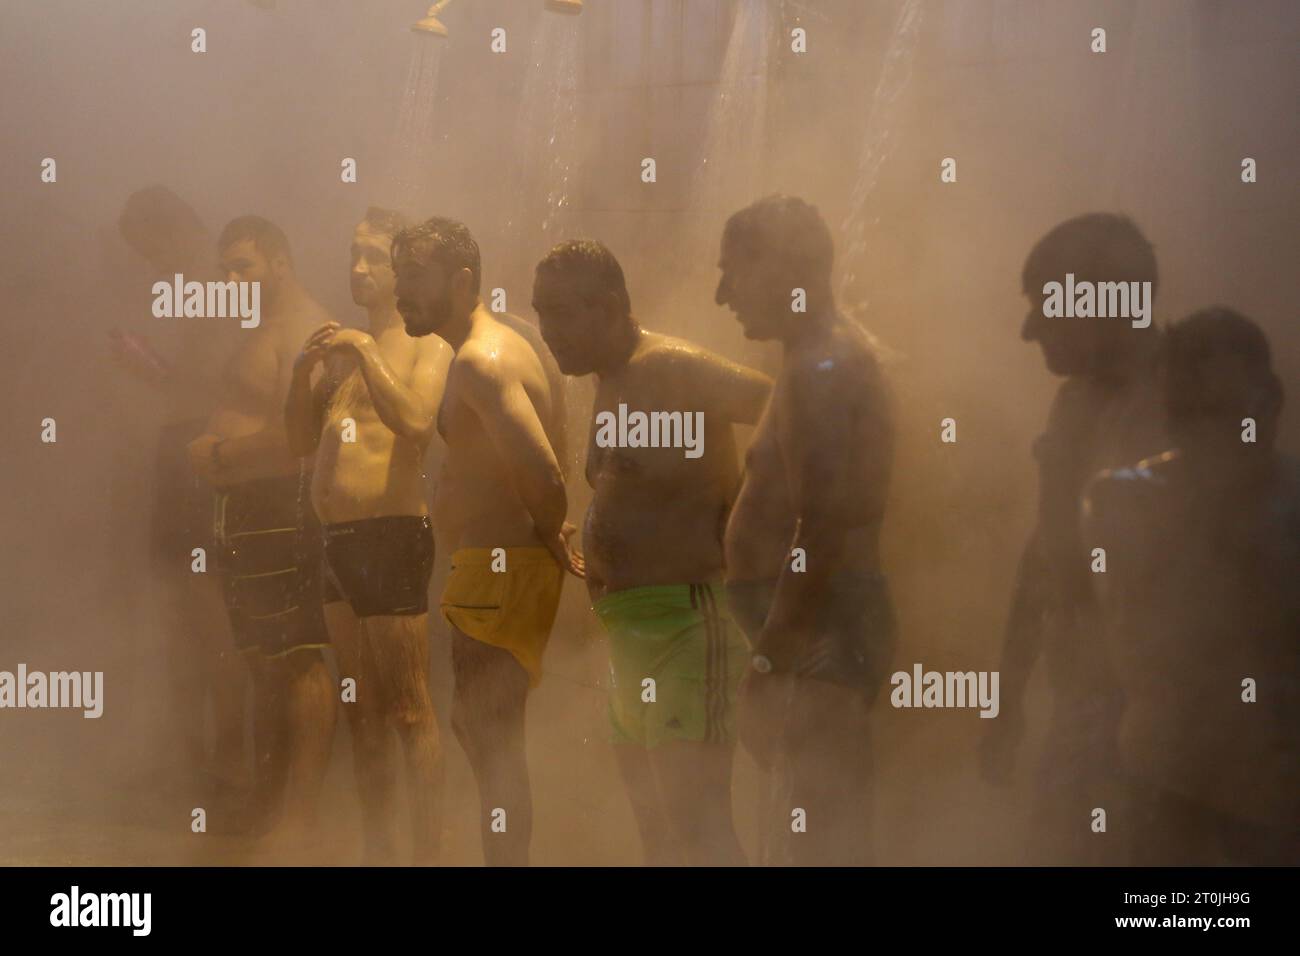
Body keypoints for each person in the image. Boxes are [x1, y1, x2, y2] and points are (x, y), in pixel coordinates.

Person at [533, 239, 770, 864]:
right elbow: (635, 485)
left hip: (688, 627)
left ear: (610, 306)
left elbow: (781, 407)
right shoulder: (609, 381)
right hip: (629, 637)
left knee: (698, 829)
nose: (547, 330)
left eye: (561, 312)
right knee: (658, 836)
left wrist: (751, 519)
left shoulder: (670, 365)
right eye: (540, 312)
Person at [979, 213, 1167, 864]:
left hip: (1160, 724)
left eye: (1046, 305)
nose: (1029, 329)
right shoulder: (1076, 402)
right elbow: (1044, 555)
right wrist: (1007, 698)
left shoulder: (1187, 410)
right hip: (1082, 703)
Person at [719, 195, 897, 865]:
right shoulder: (811, 358)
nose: (721, 294)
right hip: (812, 632)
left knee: (819, 841)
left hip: (819, 635)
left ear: (781, 265)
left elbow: (821, 530)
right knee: (804, 833)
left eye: (732, 271)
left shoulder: (825, 364)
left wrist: (768, 663)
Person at [1084, 308, 1299, 864]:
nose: (1207, 437)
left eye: (1223, 414)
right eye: (1187, 415)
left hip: (1270, 801)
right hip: (1167, 788)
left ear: (1271, 403)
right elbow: (1132, 655)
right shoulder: (1124, 501)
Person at [391, 216, 575, 866]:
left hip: (501, 572)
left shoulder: (480, 359)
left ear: (462, 279)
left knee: (491, 740)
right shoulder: (498, 343)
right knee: (483, 732)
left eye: (416, 277)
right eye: (398, 276)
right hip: (496, 569)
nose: (400, 291)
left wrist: (550, 529)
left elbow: (545, 472)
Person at [285, 206, 453, 864]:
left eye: (374, 257)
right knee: (363, 712)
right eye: (353, 254)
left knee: (409, 708)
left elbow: (416, 422)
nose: (358, 268)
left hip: (392, 535)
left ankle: (429, 857)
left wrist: (361, 350)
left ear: (403, 271)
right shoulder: (346, 350)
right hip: (337, 543)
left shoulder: (424, 342)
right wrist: (300, 377)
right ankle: (380, 852)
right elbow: (299, 443)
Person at [187, 215, 337, 847]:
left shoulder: (304, 327)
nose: (231, 281)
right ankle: (267, 799)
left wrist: (222, 453)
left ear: (280, 261)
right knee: (258, 656)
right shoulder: (258, 324)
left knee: (297, 655)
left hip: (283, 506)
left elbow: (299, 437)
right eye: (224, 270)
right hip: (241, 508)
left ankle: (301, 817)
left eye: (243, 267)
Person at [114, 186, 245, 805]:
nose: (150, 265)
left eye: (151, 250)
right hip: (181, 447)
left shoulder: (218, 282)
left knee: (205, 606)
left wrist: (150, 368)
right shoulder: (195, 283)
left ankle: (229, 759)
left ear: (174, 232)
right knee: (177, 608)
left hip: (202, 446)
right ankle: (191, 760)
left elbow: (219, 380)